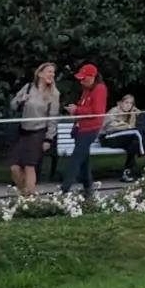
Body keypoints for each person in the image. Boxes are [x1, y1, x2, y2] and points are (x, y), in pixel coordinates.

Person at [7, 61, 59, 195]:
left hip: (38, 133)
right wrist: (20, 100)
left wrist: (48, 139)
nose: (52, 74)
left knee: (30, 166)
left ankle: (29, 198)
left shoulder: (54, 93)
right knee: (15, 167)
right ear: (40, 73)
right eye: (49, 71)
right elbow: (13, 105)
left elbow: (53, 118)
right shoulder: (28, 87)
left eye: (53, 72)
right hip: (23, 132)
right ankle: (26, 194)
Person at [61, 62, 108, 194]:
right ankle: (88, 186)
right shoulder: (87, 89)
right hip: (82, 127)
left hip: (91, 128)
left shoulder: (99, 89)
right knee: (84, 158)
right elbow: (85, 107)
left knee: (76, 158)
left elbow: (97, 111)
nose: (81, 82)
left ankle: (65, 188)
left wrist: (77, 110)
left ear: (92, 77)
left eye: (84, 78)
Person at [100, 93, 145, 180]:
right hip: (108, 137)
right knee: (135, 132)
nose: (128, 105)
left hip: (120, 138)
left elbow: (141, 114)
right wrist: (126, 126)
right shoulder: (114, 111)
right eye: (126, 102)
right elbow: (110, 127)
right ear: (121, 103)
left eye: (131, 103)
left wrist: (134, 111)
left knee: (133, 144)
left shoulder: (131, 113)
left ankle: (127, 173)